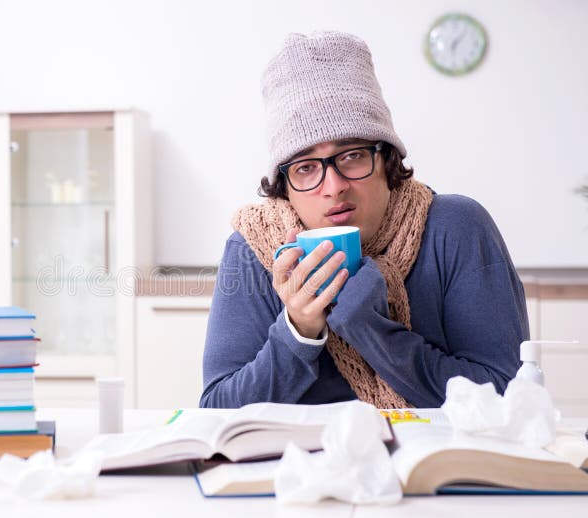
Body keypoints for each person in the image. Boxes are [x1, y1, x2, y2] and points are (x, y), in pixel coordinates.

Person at [200, 31, 529, 409]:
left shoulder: (455, 227)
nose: (334, 186)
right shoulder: (255, 249)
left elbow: (507, 398)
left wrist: (372, 330)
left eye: (352, 155)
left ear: (386, 158)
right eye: (306, 167)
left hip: (433, 463)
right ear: (284, 186)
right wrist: (299, 331)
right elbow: (217, 412)